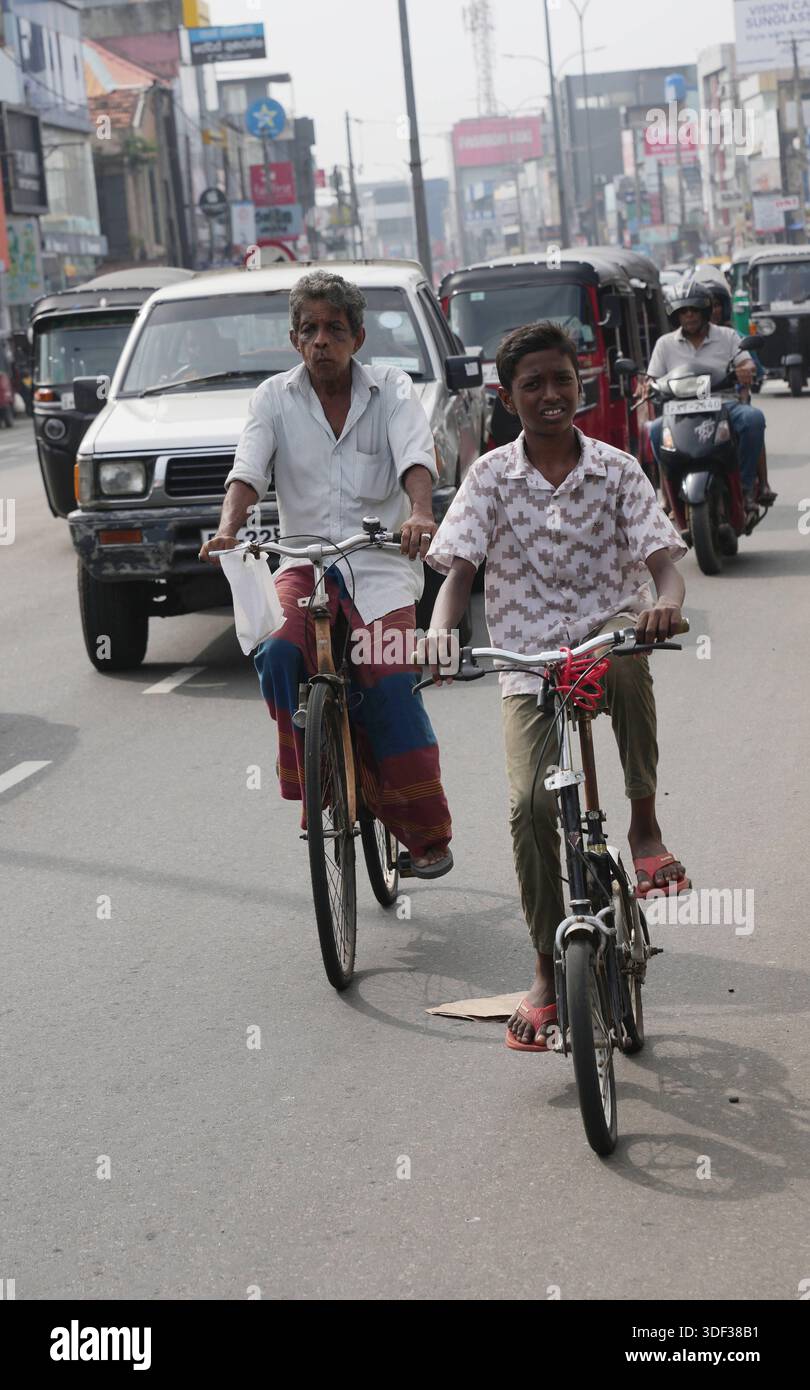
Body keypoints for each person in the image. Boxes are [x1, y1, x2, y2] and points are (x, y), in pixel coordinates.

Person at [422, 321, 689, 1050]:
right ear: (508, 398)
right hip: (527, 662)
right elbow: (459, 577)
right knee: (529, 808)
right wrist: (443, 630)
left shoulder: (617, 467)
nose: (549, 394)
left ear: (581, 384)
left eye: (561, 379)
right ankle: (544, 969)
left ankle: (645, 830)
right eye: (532, 383)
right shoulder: (487, 479)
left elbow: (664, 561)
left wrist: (665, 600)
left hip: (607, 638)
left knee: (631, 656)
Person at [200, 270, 453, 877]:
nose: (321, 342)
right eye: (309, 330)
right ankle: (322, 781)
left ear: (357, 336)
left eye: (334, 330)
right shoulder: (273, 398)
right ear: (294, 340)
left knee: (390, 674)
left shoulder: (391, 389)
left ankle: (424, 833)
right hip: (303, 561)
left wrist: (420, 512)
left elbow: (416, 458)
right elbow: (247, 472)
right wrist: (229, 528)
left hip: (380, 565)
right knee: (278, 652)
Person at [645, 281, 773, 511]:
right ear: (676, 315)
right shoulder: (665, 344)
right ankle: (669, 495)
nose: (690, 315)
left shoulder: (728, 336)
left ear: (705, 311)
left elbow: (747, 363)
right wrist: (646, 387)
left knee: (754, 419)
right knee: (654, 430)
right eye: (683, 311)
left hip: (723, 403)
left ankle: (745, 488)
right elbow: (651, 378)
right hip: (679, 410)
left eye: (694, 309)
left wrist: (745, 370)